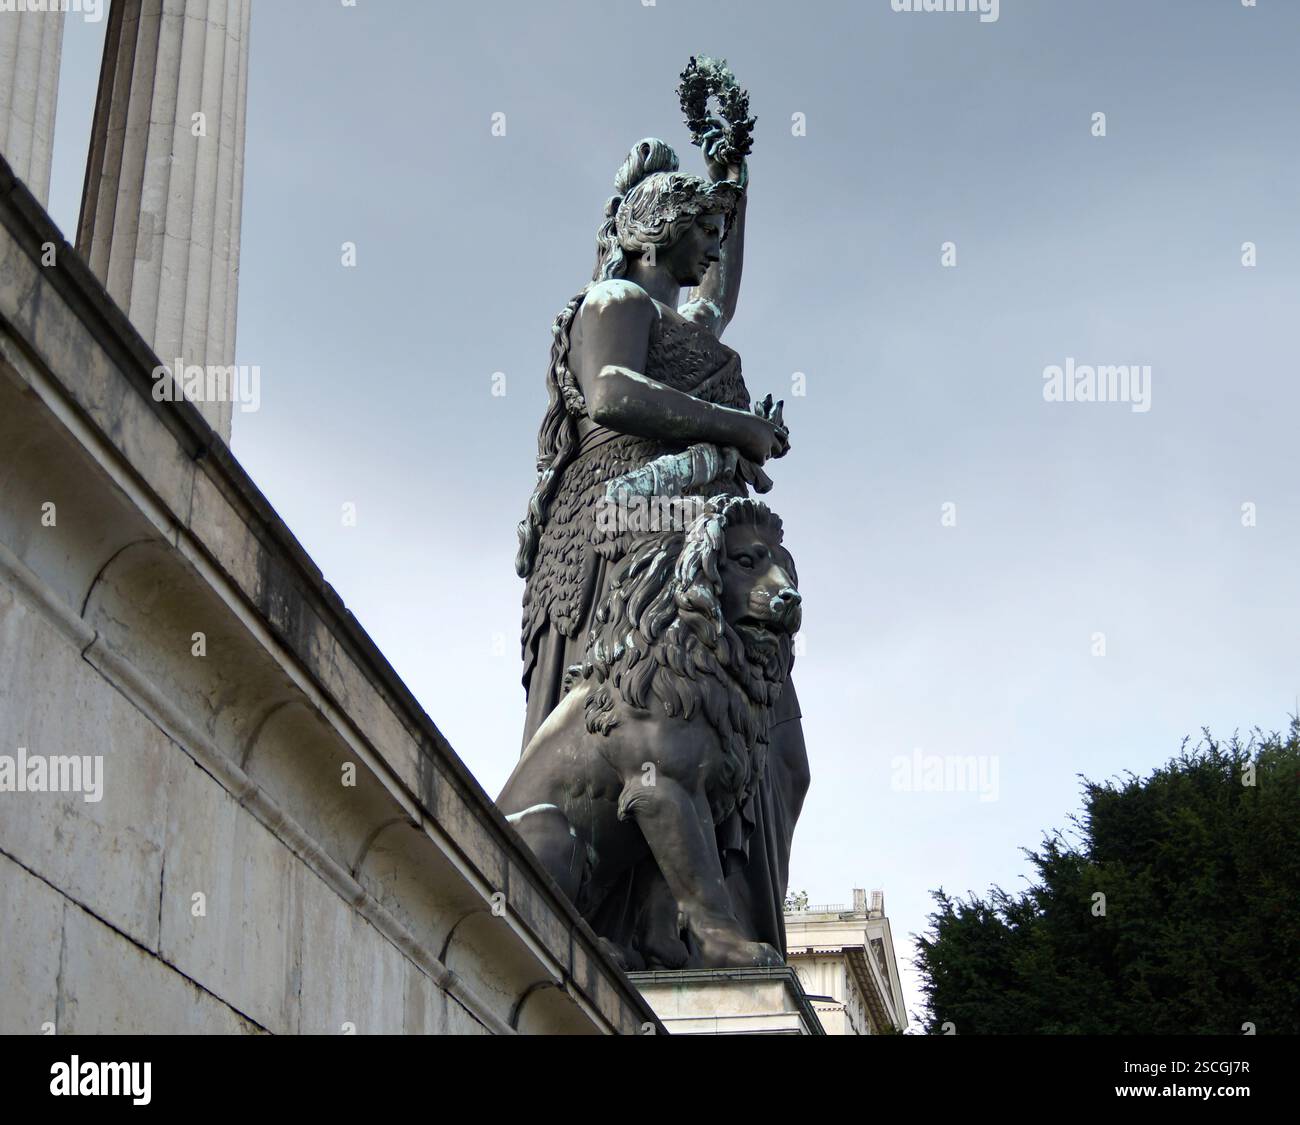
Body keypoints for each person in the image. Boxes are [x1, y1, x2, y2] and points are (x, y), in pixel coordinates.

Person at [512, 136, 808, 966]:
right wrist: (734, 427)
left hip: (701, 549)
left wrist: (735, 181)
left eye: (718, 228)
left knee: (778, 755)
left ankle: (694, 933)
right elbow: (610, 391)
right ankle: (646, 933)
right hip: (618, 540)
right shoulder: (613, 300)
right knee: (649, 731)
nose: (713, 241)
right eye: (700, 224)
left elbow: (721, 297)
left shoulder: (686, 321)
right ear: (655, 230)